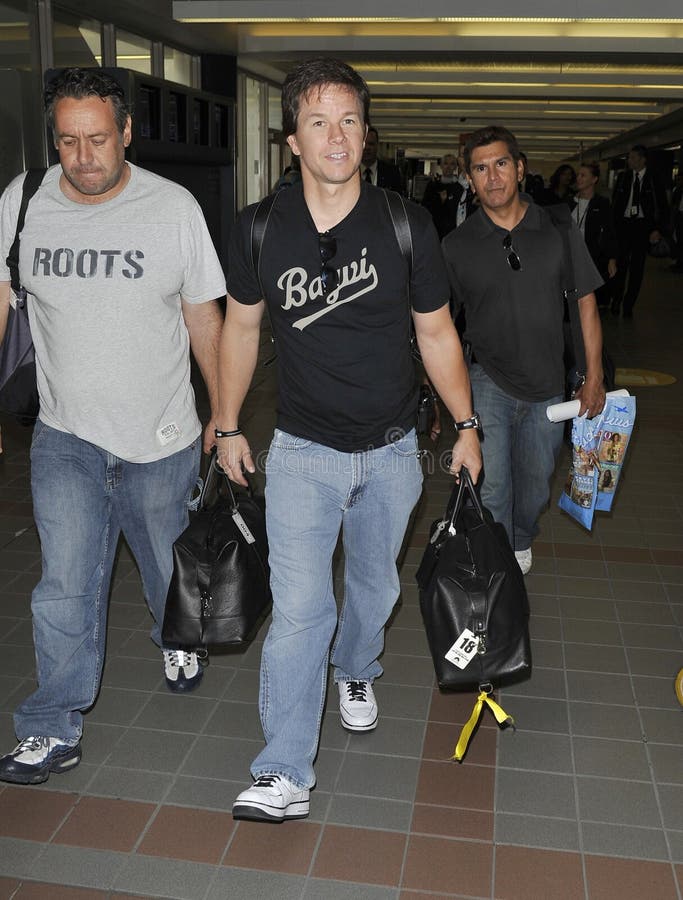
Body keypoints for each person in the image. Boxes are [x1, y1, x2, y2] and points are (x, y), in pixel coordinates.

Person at [215, 56, 481, 823]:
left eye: (350, 120)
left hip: (396, 450)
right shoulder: (259, 227)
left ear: (366, 133)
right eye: (318, 121)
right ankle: (282, 772)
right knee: (303, 610)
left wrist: (465, 425)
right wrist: (228, 422)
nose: (337, 136)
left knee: (372, 589)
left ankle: (356, 668)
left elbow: (435, 333)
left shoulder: (404, 224)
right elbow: (240, 325)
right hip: (300, 450)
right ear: (291, 137)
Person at [0, 68, 225, 785]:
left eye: (98, 139)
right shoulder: (23, 199)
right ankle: (51, 725)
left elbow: (202, 317)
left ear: (127, 132)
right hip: (64, 433)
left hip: (161, 437)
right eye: (68, 140)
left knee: (164, 564)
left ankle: (174, 635)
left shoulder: (174, 208)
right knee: (64, 583)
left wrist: (223, 415)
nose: (84, 156)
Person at [442, 125, 605, 576]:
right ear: (470, 178)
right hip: (486, 380)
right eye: (480, 168)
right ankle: (499, 562)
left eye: (500, 164)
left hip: (547, 386)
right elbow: (439, 325)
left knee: (534, 487)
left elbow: (585, 301)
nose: (492, 177)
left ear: (519, 168)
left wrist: (594, 376)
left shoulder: (556, 228)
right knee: (492, 487)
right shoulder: (455, 246)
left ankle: (519, 535)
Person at [611, 144, 668, 317]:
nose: (630, 161)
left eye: (633, 158)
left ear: (643, 160)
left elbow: (663, 206)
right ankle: (616, 300)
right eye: (629, 158)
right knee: (620, 265)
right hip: (624, 225)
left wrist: (657, 229)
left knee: (637, 268)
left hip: (643, 227)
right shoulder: (623, 177)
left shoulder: (653, 178)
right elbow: (616, 203)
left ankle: (629, 304)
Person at [570, 162, 618, 309]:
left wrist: (611, 258)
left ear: (594, 179)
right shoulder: (569, 202)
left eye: (583, 175)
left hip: (592, 256)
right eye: (578, 175)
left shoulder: (602, 203)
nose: (579, 178)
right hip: (570, 255)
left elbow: (610, 231)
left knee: (589, 300)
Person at [422, 153, 476, 239]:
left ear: (455, 167)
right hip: (436, 231)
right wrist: (440, 201)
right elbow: (425, 207)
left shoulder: (460, 186)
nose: (448, 167)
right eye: (446, 163)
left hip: (454, 232)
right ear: (441, 166)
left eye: (452, 164)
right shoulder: (433, 185)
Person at [359, 125, 402, 191]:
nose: (367, 148)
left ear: (377, 145)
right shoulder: (350, 172)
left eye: (371, 144)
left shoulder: (392, 172)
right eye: (364, 144)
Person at [669, 172, 683, 274]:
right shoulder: (677, 190)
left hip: (679, 216)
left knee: (680, 240)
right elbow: (673, 204)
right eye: (677, 179)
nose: (679, 181)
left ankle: (679, 263)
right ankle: (678, 262)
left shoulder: (678, 190)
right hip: (678, 216)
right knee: (678, 239)